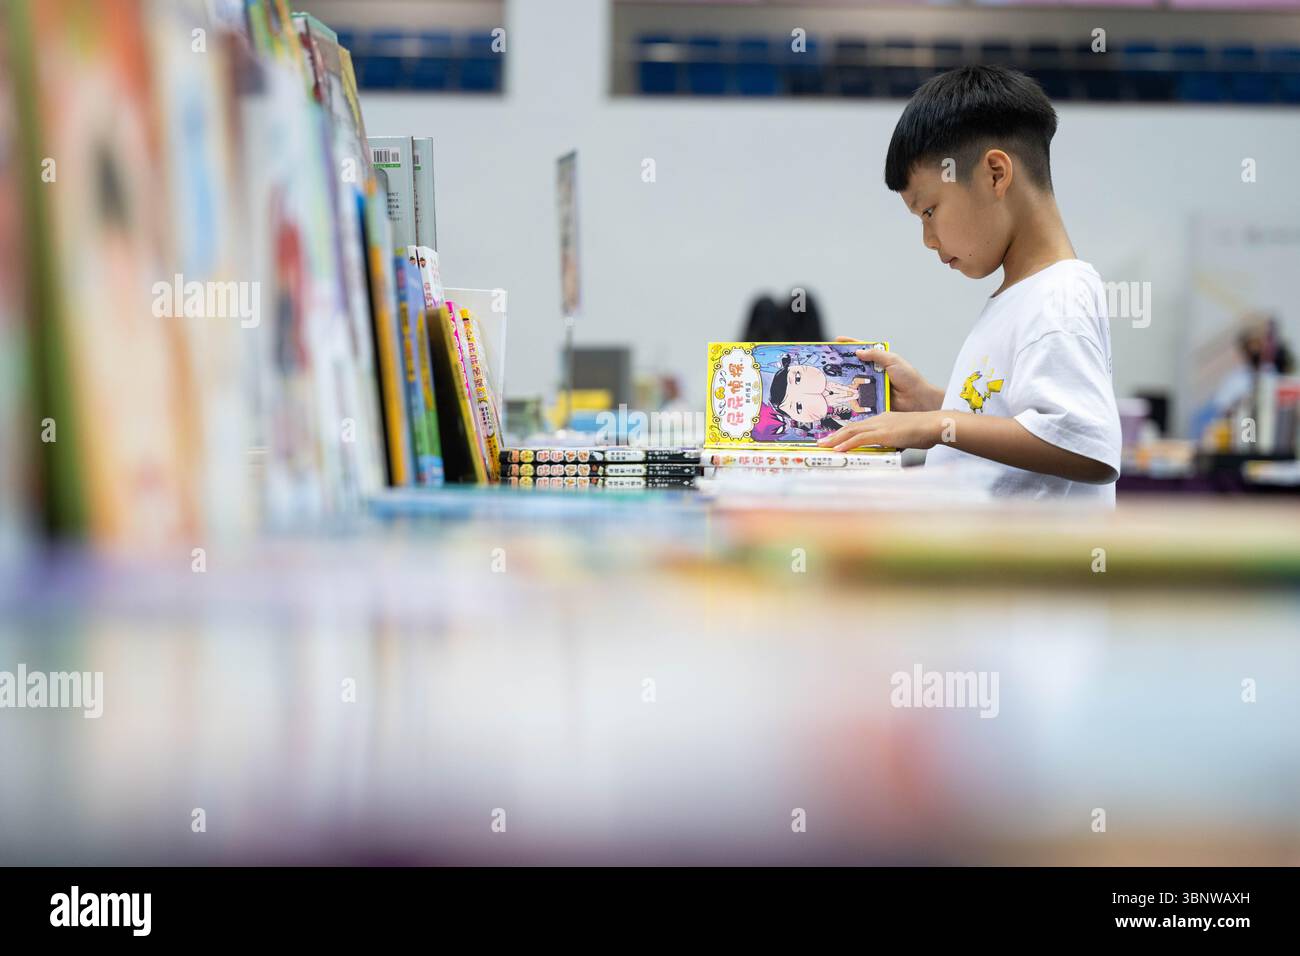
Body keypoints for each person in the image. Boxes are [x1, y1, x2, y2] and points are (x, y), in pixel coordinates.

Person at [822, 66, 1121, 503]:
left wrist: (935, 427)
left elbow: (1086, 445)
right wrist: (931, 403)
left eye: (929, 211)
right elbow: (1013, 418)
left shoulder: (1058, 295)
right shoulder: (1022, 294)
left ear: (996, 174)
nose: (928, 240)